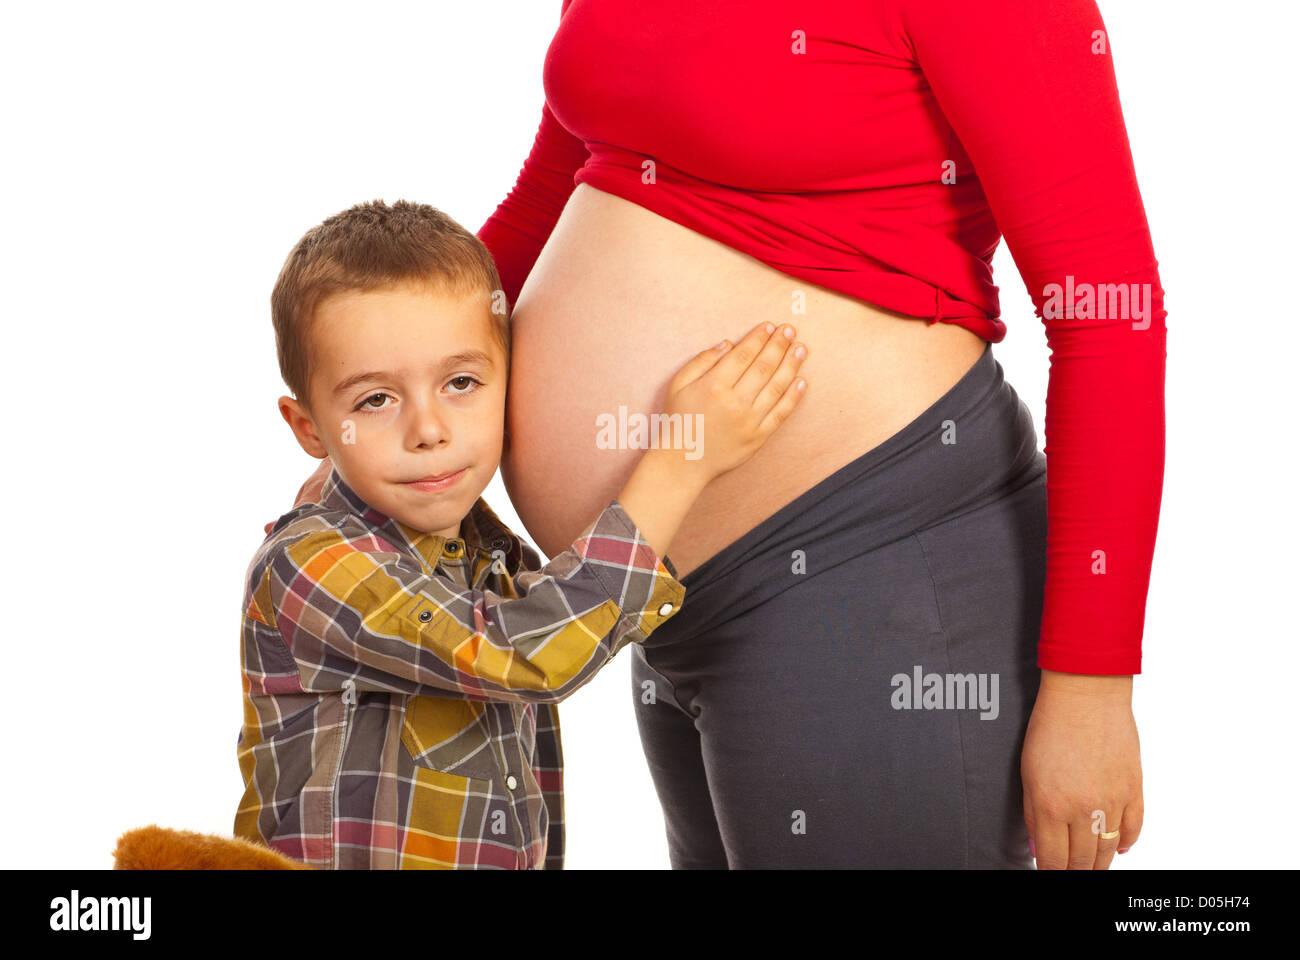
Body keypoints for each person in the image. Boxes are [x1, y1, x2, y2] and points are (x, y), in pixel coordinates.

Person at [469, 0, 1164, 869]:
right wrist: (378, 405)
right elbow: (557, 191)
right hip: (647, 598)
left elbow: (1109, 318)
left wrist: (1091, 688)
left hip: (875, 571)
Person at [234, 198, 809, 868]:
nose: (428, 429)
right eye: (375, 400)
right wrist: (681, 462)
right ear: (310, 429)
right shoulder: (311, 564)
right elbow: (521, 652)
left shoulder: (485, 559)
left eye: (460, 382)